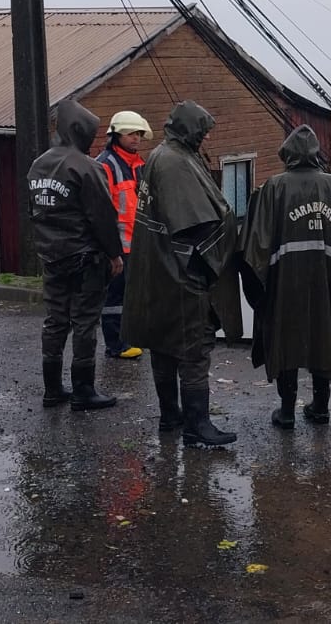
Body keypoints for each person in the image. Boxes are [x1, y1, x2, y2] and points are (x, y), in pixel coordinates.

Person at [121, 101, 243, 447]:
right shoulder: (175, 163)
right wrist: (208, 267)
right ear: (188, 128)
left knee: (163, 346)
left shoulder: (162, 155)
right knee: (193, 349)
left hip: (157, 270)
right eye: (202, 130)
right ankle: (197, 425)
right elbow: (196, 225)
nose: (205, 136)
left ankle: (170, 416)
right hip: (179, 274)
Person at [243, 126, 331, 428]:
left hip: (284, 283)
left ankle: (287, 411)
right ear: (315, 154)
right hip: (325, 282)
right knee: (323, 337)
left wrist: (259, 292)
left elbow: (253, 247)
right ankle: (321, 408)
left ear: (286, 154)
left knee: (285, 339)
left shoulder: (272, 188)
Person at [28, 100, 126, 411]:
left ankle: (53, 389)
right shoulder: (87, 167)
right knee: (85, 322)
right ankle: (84, 390)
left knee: (55, 321)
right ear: (80, 131)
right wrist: (115, 255)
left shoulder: (38, 165)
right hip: (85, 257)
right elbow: (103, 217)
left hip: (51, 256)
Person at [96, 110, 152, 361]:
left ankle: (128, 338)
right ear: (116, 135)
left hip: (137, 245)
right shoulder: (106, 164)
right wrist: (111, 250)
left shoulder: (139, 165)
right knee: (115, 297)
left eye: (139, 133)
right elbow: (102, 210)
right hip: (118, 246)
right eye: (131, 133)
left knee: (130, 296)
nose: (136, 138)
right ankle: (115, 344)